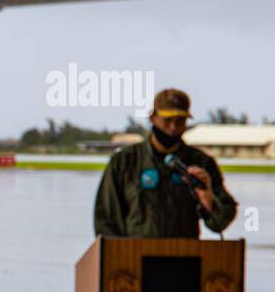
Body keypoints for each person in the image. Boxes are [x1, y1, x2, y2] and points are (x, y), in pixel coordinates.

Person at [94, 88, 238, 237]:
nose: (173, 127)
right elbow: (106, 221)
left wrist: (208, 199)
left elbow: (220, 222)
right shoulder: (123, 162)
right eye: (167, 120)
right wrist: (117, 250)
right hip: (134, 251)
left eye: (180, 121)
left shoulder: (201, 163)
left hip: (185, 251)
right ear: (152, 118)